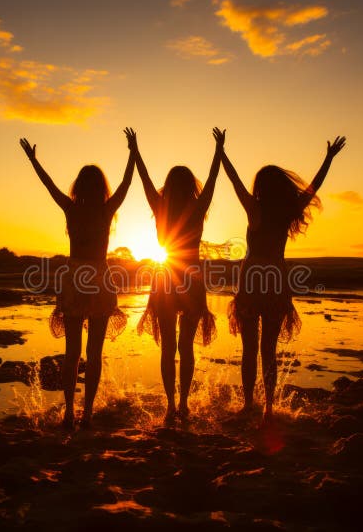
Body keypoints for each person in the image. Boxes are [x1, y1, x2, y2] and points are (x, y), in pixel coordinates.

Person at [222, 134, 346, 423]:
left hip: (253, 280)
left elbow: (234, 181)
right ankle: (267, 407)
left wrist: (221, 151)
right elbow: (314, 187)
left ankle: (249, 404)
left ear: (260, 188)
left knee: (250, 350)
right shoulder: (288, 210)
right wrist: (328, 158)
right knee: (269, 350)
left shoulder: (255, 209)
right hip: (276, 280)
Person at [19, 130, 136, 429]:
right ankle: (87, 413)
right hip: (97, 278)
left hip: (75, 278)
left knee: (72, 354)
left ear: (79, 187)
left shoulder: (71, 208)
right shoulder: (106, 210)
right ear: (101, 188)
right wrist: (133, 152)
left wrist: (34, 160)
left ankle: (70, 412)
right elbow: (125, 185)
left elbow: (49, 185)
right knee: (93, 354)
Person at [130, 127, 224, 424]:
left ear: (168, 186)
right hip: (191, 277)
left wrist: (134, 150)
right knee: (184, 346)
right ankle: (182, 402)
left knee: (170, 346)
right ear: (189, 187)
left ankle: (172, 404)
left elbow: (144, 180)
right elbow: (211, 182)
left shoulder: (160, 207)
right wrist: (219, 151)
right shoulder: (197, 208)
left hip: (166, 277)